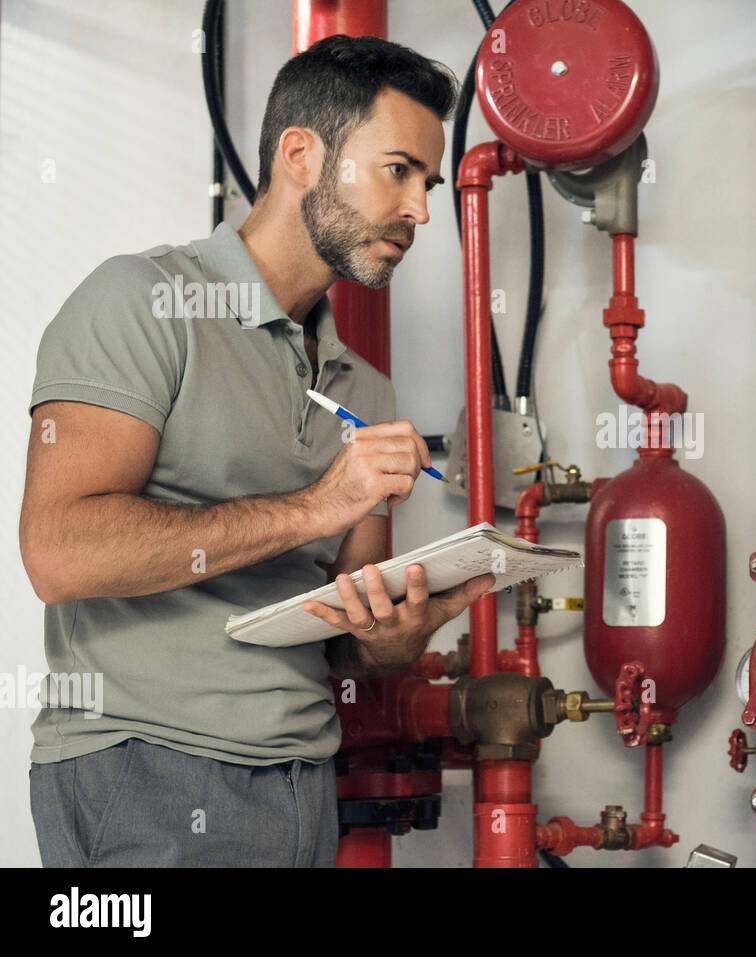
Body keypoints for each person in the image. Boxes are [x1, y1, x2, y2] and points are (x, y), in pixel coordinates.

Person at [19, 34, 492, 867]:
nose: (421, 210)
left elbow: (350, 638)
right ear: (302, 156)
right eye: (398, 171)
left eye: (429, 183)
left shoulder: (364, 389)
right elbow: (59, 552)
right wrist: (319, 504)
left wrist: (399, 632)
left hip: (304, 781)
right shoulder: (141, 301)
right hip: (147, 765)